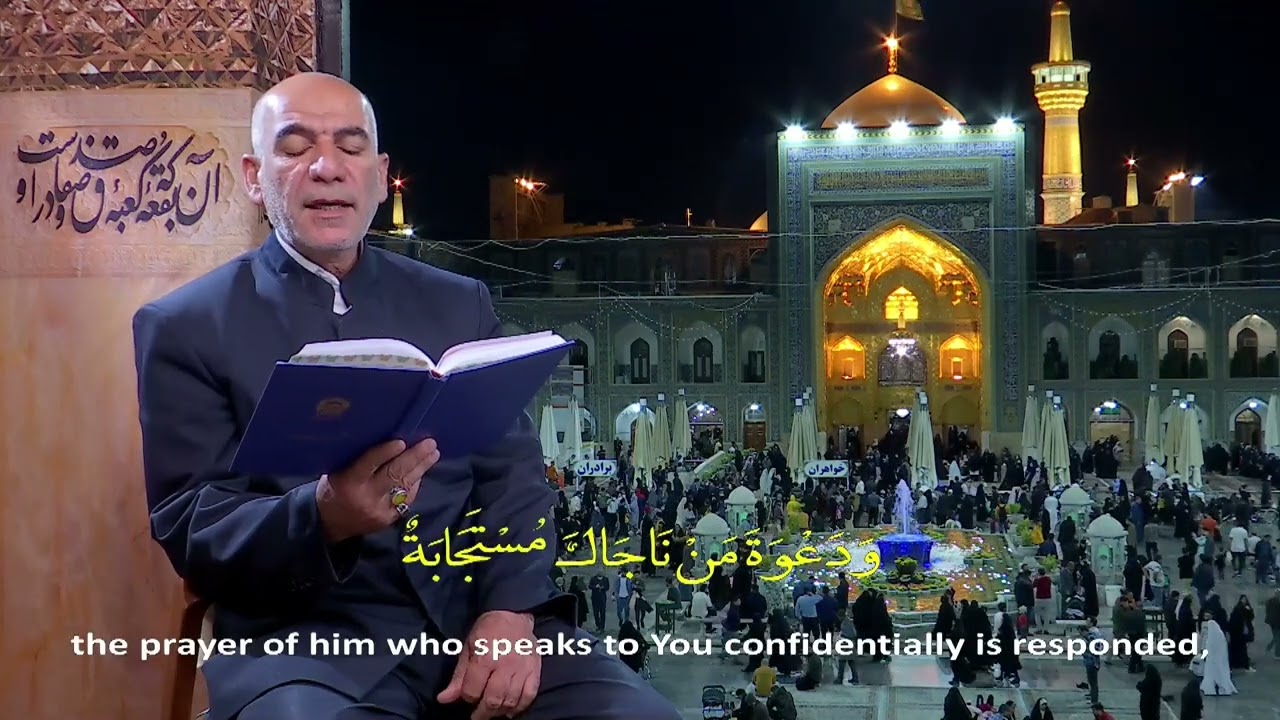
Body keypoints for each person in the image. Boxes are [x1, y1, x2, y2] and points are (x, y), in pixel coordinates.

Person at [132, 72, 679, 720]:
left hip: (473, 619)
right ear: (255, 177)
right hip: (306, 647)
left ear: (379, 172)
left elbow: (514, 476)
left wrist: (511, 610)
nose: (327, 167)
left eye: (350, 146)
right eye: (296, 145)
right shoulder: (188, 326)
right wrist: (326, 514)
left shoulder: (456, 302)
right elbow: (193, 524)